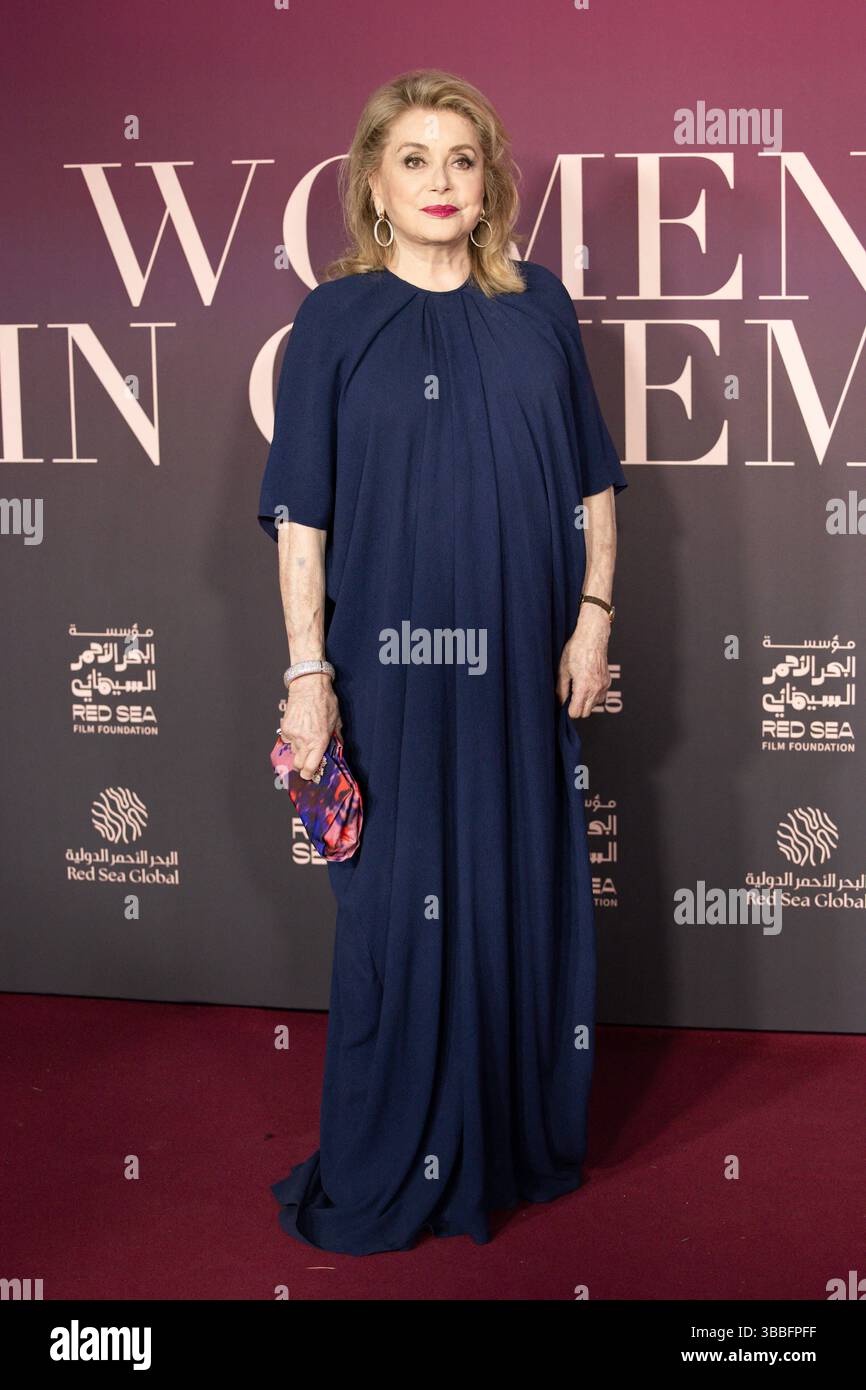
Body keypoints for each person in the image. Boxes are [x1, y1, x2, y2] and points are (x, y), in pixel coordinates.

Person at [258, 68, 627, 1255]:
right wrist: (307, 673)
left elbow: (591, 481)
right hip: (388, 669)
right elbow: (301, 514)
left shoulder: (537, 307)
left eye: (459, 159)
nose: (437, 180)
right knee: (395, 917)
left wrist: (593, 614)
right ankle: (394, 1148)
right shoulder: (333, 320)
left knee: (511, 889)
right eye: (411, 158)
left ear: (488, 182)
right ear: (371, 182)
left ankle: (507, 1139)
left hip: (522, 661)